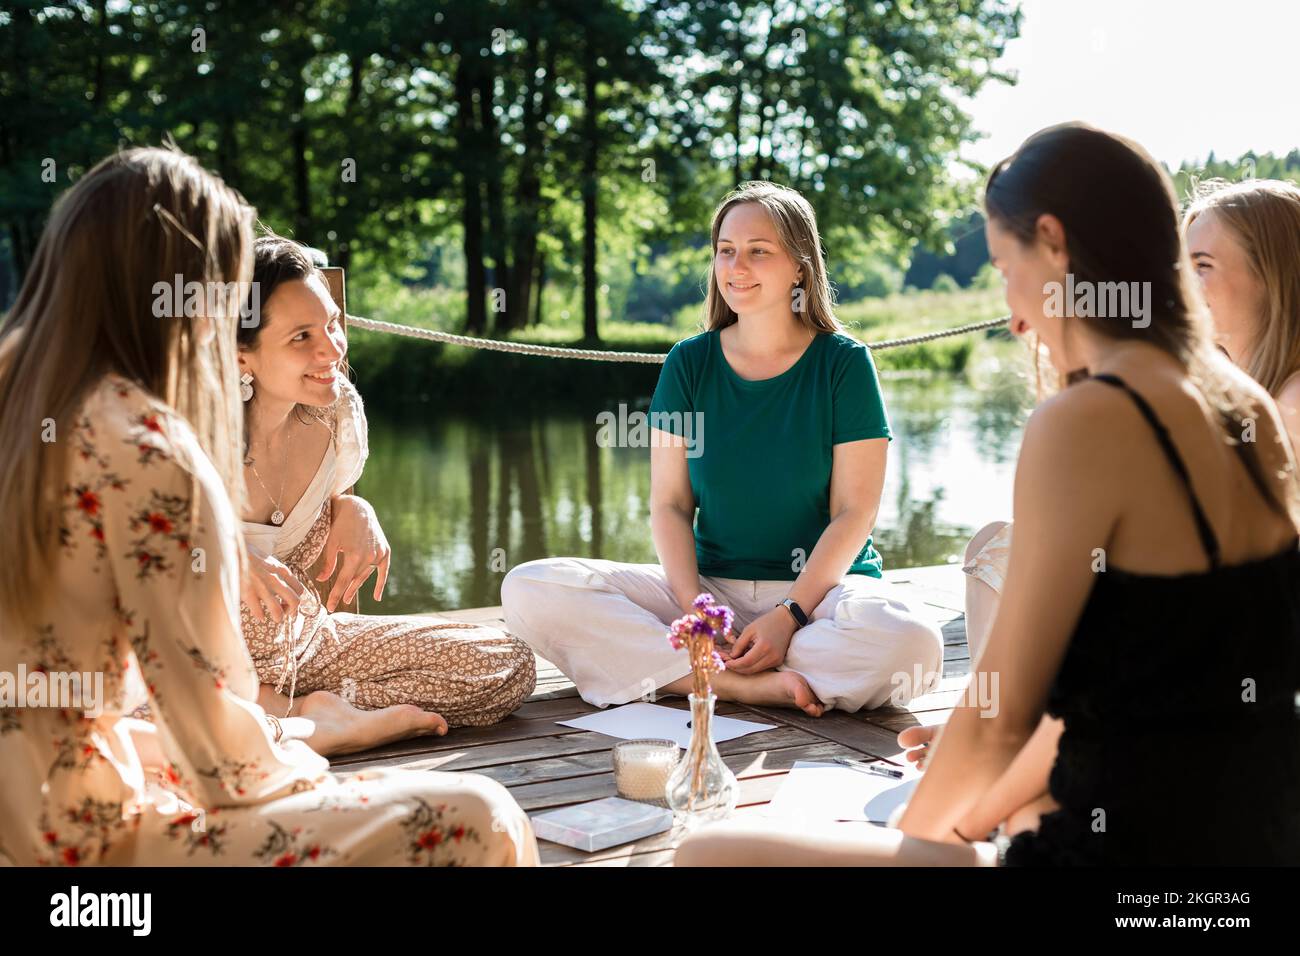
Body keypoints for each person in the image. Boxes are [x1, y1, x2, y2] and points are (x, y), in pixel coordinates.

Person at [677, 123, 1300, 867]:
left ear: (1053, 244)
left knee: (711, 854)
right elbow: (1149, 684)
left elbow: (1000, 715)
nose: (1012, 314)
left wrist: (921, 842)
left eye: (1007, 268)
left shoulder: (1085, 419)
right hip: (1258, 833)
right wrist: (977, 814)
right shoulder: (1247, 404)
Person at [0, 147, 537, 866]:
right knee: (480, 815)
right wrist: (310, 753)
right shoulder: (149, 447)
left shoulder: (20, 400)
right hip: (78, 844)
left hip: (31, 783)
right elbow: (225, 764)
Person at [502, 180, 943, 717]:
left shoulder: (843, 364)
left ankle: (696, 667)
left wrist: (788, 617)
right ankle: (732, 681)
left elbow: (855, 512)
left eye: (760, 251)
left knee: (913, 642)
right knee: (531, 587)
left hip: (822, 597)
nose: (737, 266)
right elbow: (669, 505)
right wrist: (697, 615)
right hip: (710, 591)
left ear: (800, 266)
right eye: (726, 250)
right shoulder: (689, 363)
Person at [236, 235, 535, 755]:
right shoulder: (182, 439)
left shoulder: (334, 415)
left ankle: (305, 712)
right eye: (301, 337)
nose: (331, 348)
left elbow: (334, 500)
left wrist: (354, 505)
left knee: (506, 662)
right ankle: (294, 713)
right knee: (119, 702)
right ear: (244, 356)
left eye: (331, 324)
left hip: (310, 652)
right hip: (194, 670)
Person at [1184, 178, 1300, 449]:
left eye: (1202, 264)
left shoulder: (1293, 405)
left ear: (1272, 276)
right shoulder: (1243, 399)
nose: (1182, 285)